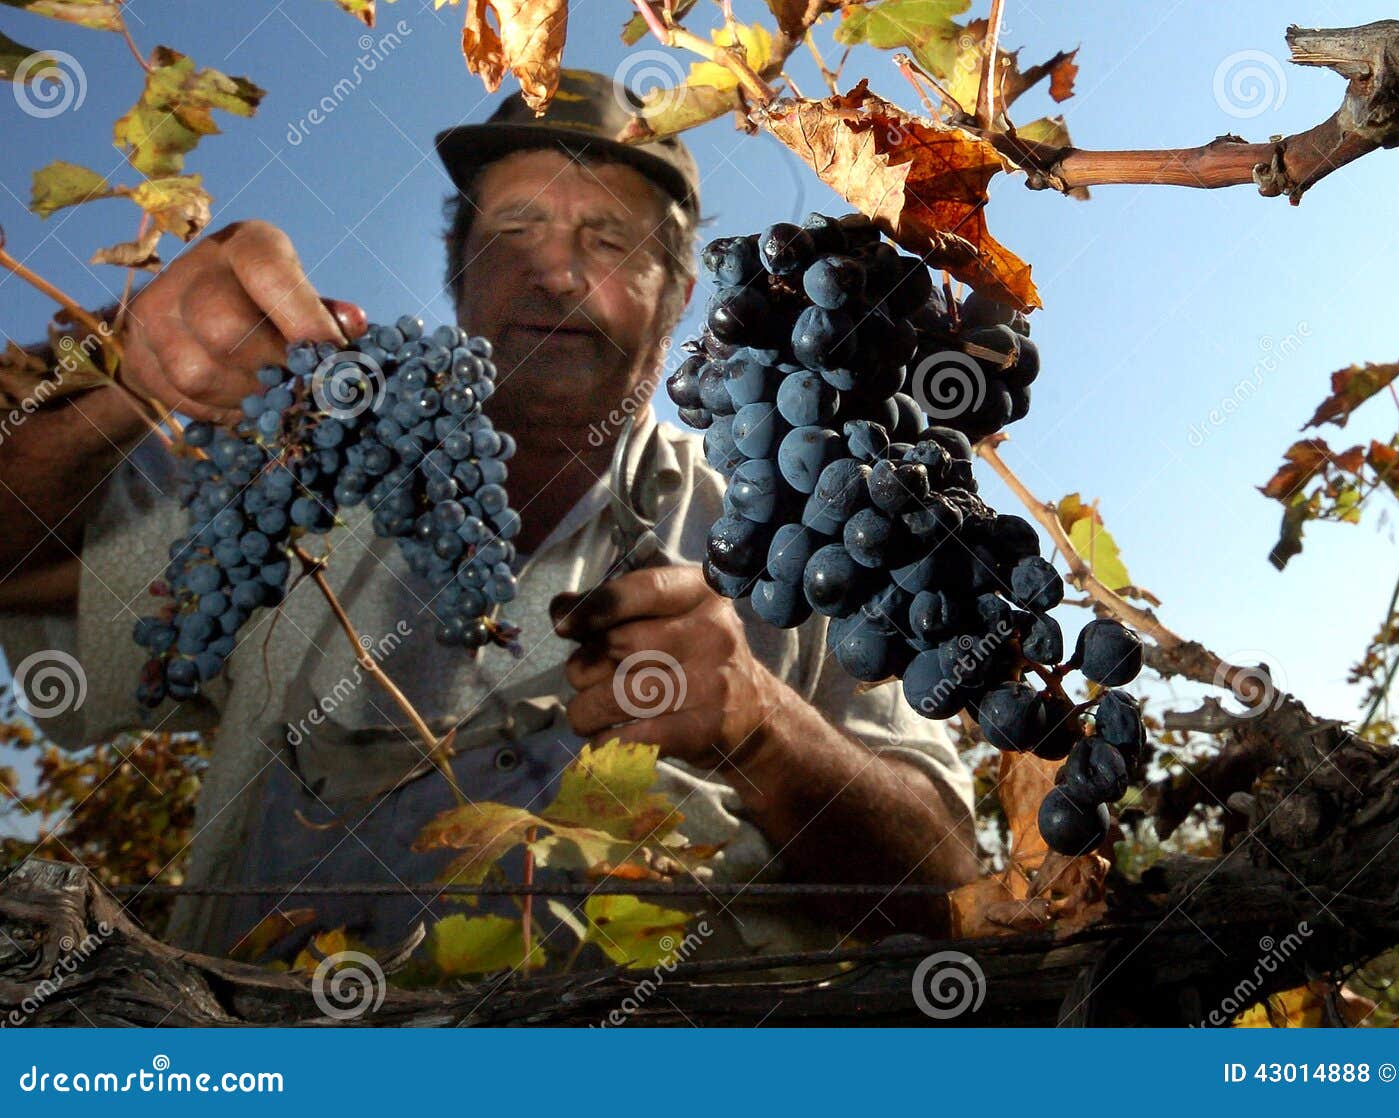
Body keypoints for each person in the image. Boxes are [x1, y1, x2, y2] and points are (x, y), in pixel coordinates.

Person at [0, 71, 978, 960]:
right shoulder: (304, 482)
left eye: (608, 241)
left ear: (679, 297)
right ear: (456, 269)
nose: (555, 273)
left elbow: (946, 892)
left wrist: (769, 734)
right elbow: (15, 560)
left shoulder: (795, 533)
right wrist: (127, 369)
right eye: (513, 231)